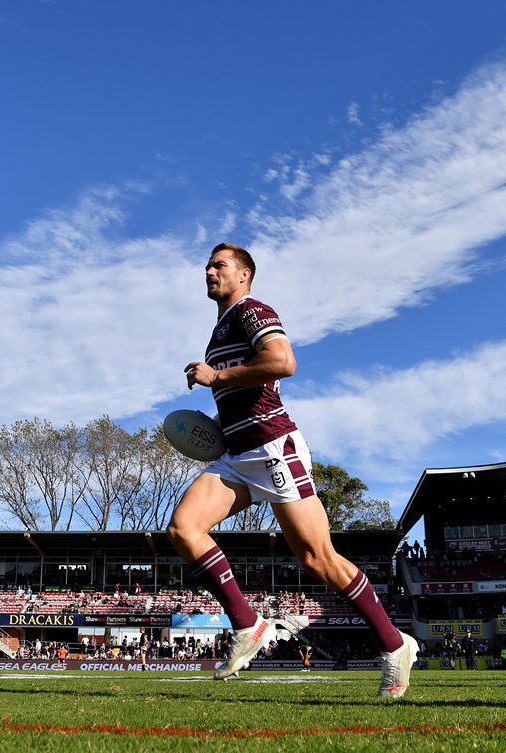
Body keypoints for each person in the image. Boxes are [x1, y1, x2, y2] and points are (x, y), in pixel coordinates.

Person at [166, 243, 417, 699]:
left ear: (243, 275)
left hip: (273, 447)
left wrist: (216, 377)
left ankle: (394, 644)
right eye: (207, 264)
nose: (209, 270)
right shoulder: (219, 330)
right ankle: (249, 624)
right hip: (237, 454)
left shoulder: (251, 310)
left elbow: (284, 362)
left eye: (219, 264)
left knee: (317, 558)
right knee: (184, 528)